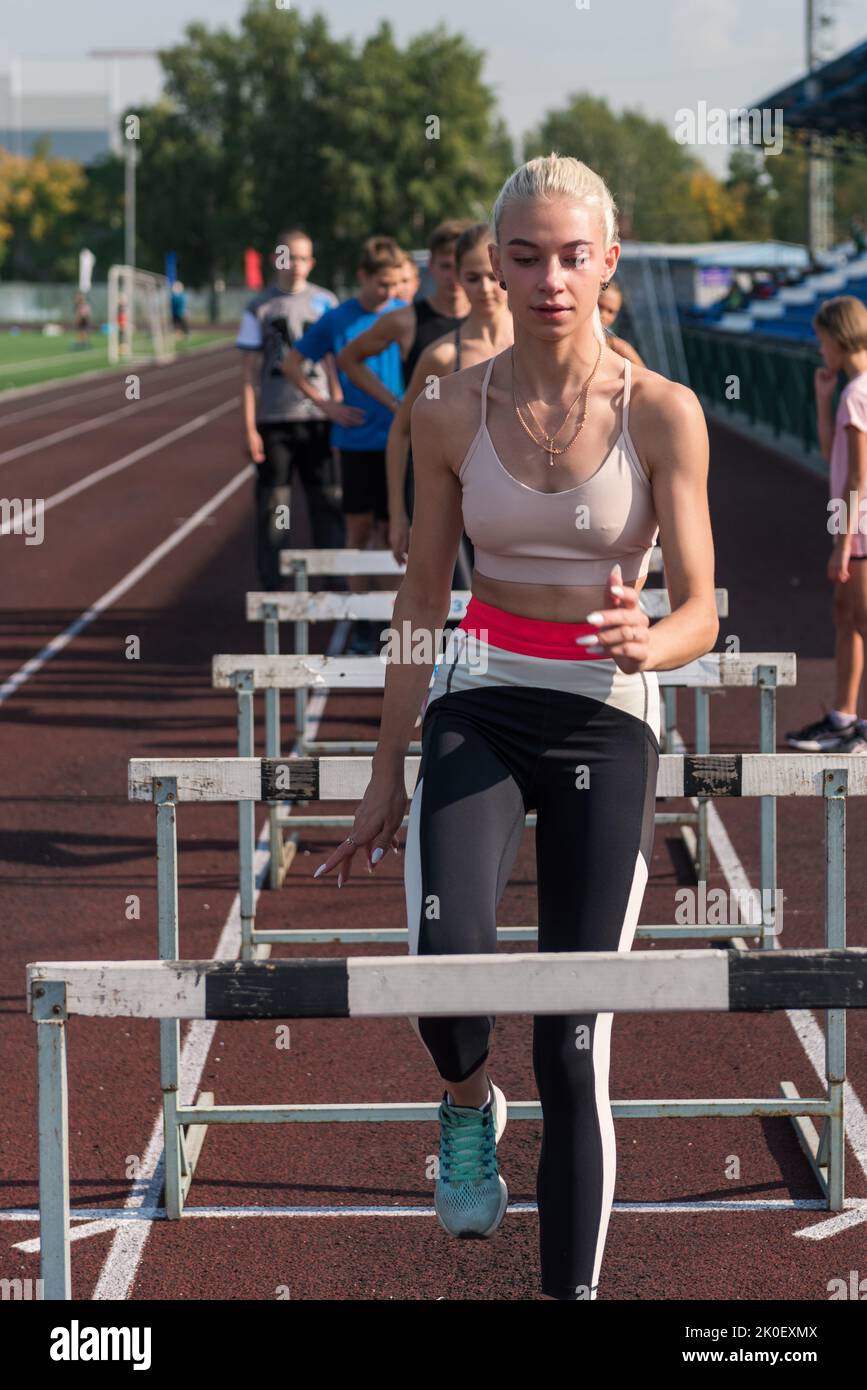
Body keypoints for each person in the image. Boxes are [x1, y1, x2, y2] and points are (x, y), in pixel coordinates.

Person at [312, 153, 718, 1301]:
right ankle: (462, 1102)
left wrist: (659, 642)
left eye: (572, 255)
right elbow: (419, 598)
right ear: (494, 266)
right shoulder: (449, 410)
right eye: (526, 255)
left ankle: (568, 1295)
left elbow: (697, 602)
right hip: (479, 698)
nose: (549, 278)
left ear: (609, 265)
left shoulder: (665, 415)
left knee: (574, 1039)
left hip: (602, 717)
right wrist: (384, 767)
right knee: (446, 976)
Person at [283, 234, 406, 652]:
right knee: (358, 529)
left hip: (401, 441)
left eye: (394, 285)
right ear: (362, 276)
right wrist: (326, 406)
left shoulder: (405, 315)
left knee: (395, 533)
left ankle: (391, 621)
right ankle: (361, 624)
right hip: (355, 439)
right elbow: (292, 363)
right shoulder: (338, 319)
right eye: (381, 285)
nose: (388, 293)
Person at [385, 222, 513, 564]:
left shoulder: (540, 345)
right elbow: (401, 431)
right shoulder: (442, 356)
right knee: (458, 614)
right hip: (457, 513)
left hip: (522, 510)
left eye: (491, 276)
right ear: (457, 277)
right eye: (473, 278)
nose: (485, 288)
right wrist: (399, 516)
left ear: (504, 269)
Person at [336, 220, 472, 518]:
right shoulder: (405, 320)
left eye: (460, 265)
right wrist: (395, 403)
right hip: (423, 459)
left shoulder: (495, 322)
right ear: (432, 267)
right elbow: (348, 359)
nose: (454, 276)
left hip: (479, 457)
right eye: (446, 266)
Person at [236, 227, 346, 591]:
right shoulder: (260, 306)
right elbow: (249, 372)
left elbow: (333, 359)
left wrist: (335, 400)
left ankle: (334, 578)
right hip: (275, 419)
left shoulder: (326, 302)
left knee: (326, 499)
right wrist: (250, 427)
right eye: (288, 256)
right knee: (273, 505)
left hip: (317, 419)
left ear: (311, 262)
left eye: (302, 257)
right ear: (275, 258)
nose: (295, 264)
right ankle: (272, 582)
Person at [786, 296, 867, 752]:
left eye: (822, 341)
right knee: (846, 616)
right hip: (855, 522)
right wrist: (822, 399)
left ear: (838, 337)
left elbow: (857, 474)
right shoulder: (853, 390)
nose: (820, 351)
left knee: (862, 619)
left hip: (859, 525)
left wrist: (842, 543)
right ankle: (843, 716)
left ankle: (855, 725)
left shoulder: (859, 393)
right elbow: (831, 453)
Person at [597, 281, 645, 366]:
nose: (603, 315)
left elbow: (646, 376)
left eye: (611, 311)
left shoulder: (618, 347)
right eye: (600, 306)